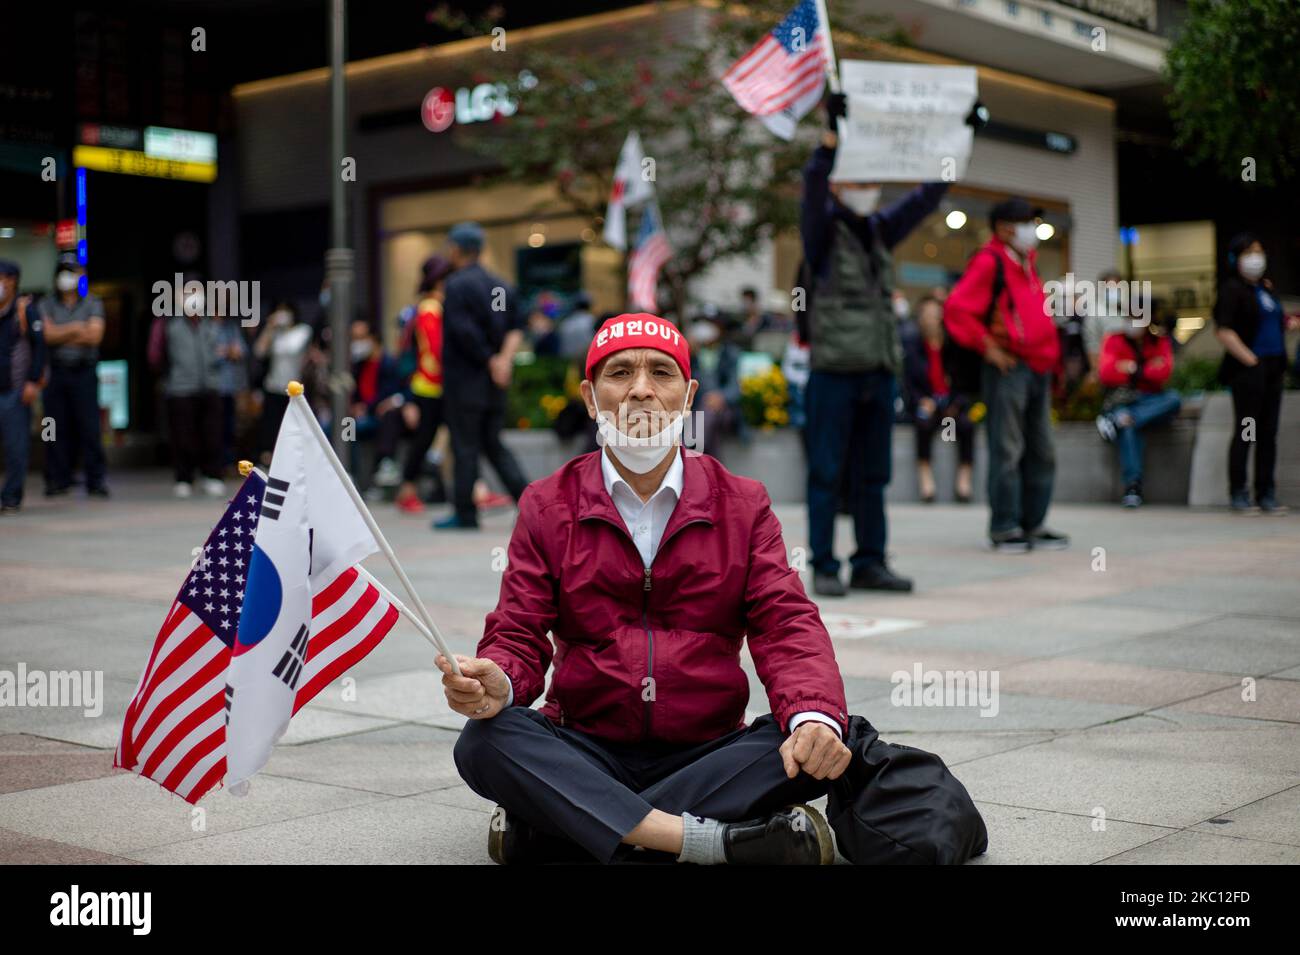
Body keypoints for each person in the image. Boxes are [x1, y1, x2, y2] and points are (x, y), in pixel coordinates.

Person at [445, 313, 852, 865]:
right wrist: (501, 679)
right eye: (620, 373)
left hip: (708, 750)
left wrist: (813, 715)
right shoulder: (546, 503)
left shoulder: (743, 502)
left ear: (687, 396)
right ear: (590, 398)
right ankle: (706, 841)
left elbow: (787, 622)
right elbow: (517, 630)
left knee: (817, 736)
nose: (640, 389)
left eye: (661, 372)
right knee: (485, 741)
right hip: (585, 745)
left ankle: (567, 823)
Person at [799, 92, 949, 595]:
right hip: (833, 371)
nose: (869, 189)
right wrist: (829, 137)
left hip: (879, 371)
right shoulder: (821, 231)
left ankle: (869, 561)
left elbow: (925, 199)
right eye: (859, 180)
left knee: (874, 474)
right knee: (827, 471)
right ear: (840, 184)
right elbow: (811, 184)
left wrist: (956, 144)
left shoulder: (880, 230)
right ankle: (824, 563)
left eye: (873, 181)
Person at [944, 198, 1068, 552]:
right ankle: (1005, 526)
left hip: (1037, 367)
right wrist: (990, 348)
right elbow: (956, 310)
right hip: (1009, 368)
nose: (1033, 229)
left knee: (1042, 449)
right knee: (1008, 448)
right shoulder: (989, 261)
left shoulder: (1025, 262)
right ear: (1004, 227)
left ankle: (1033, 523)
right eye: (1026, 221)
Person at [434, 221, 530, 530]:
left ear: (456, 249)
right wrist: (503, 361)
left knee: (465, 446)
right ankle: (530, 504)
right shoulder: (501, 284)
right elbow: (517, 326)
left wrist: (490, 360)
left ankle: (465, 513)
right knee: (493, 443)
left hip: (466, 381)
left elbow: (464, 332)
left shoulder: (457, 285)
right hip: (494, 383)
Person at [1213, 233, 1288, 513]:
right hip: (1248, 372)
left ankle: (1266, 492)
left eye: (1259, 251)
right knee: (1248, 431)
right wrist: (1250, 360)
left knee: (1269, 433)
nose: (1256, 258)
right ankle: (1238, 491)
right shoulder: (1232, 289)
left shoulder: (1266, 290)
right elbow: (1223, 329)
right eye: (1249, 252)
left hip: (1273, 369)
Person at [39, 252, 108, 498]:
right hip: (56, 373)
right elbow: (46, 336)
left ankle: (95, 480)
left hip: (84, 372)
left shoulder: (92, 302)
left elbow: (95, 336)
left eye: (72, 272)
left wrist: (61, 333)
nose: (66, 277)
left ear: (80, 276)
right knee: (53, 427)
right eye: (63, 272)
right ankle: (57, 478)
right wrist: (78, 328)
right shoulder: (46, 303)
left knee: (90, 427)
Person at [148, 281, 226, 497]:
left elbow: (220, 351)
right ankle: (184, 477)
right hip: (180, 388)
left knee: (212, 434)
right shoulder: (168, 323)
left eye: (197, 294)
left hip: (209, 385)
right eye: (188, 294)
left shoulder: (210, 323)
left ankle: (212, 475)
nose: (193, 298)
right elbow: (155, 356)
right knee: (183, 436)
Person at [1094, 313, 1180, 508]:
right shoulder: (1114, 339)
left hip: (1152, 402)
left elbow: (1164, 372)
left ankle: (1120, 419)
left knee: (1173, 399)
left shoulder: (1159, 341)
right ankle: (1133, 487)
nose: (1132, 324)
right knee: (1129, 428)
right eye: (1129, 318)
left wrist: (1131, 368)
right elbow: (1106, 373)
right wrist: (1144, 368)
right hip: (1127, 398)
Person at [395, 256, 453, 514]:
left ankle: (473, 489)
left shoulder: (431, 305)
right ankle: (407, 489)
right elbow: (435, 348)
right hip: (430, 385)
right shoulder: (430, 307)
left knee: (455, 436)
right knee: (425, 439)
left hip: (435, 384)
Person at [903, 296, 973, 503]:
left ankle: (964, 480)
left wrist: (954, 404)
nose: (931, 320)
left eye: (935, 315)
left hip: (950, 408)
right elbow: (909, 383)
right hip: (928, 406)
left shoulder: (953, 347)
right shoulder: (914, 347)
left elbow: (962, 381)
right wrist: (922, 401)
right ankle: (926, 479)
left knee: (966, 426)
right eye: (926, 316)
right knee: (923, 425)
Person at [0, 261, 46, 513]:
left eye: (5, 278)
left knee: (16, 446)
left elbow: (40, 347)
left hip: (15, 390)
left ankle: (11, 497)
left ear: (13, 281)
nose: (1, 283)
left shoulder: (25, 309)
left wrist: (33, 381)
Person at [347, 318, 405, 488]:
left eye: (361, 338)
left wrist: (368, 407)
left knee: (351, 430)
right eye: (354, 338)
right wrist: (355, 406)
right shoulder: (359, 365)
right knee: (340, 429)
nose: (357, 343)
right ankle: (349, 474)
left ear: (373, 338)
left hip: (376, 417)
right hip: (358, 416)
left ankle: (375, 472)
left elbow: (392, 391)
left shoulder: (389, 363)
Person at [253, 301, 312, 465]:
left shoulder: (303, 331)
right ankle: (268, 460)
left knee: (293, 426)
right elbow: (259, 351)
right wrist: (269, 327)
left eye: (285, 312)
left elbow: (295, 349)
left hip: (294, 388)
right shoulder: (274, 333)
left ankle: (292, 461)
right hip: (273, 386)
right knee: (271, 427)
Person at [685, 310, 743, 459]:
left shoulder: (730, 353)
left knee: (708, 411)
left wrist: (721, 396)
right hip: (694, 409)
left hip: (723, 410)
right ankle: (710, 468)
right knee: (706, 420)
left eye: (710, 324)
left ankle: (689, 451)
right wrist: (689, 353)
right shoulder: (690, 353)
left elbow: (734, 387)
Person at [556, 291, 597, 360]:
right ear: (589, 305)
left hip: (569, 363)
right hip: (588, 361)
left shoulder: (565, 323)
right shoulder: (593, 321)